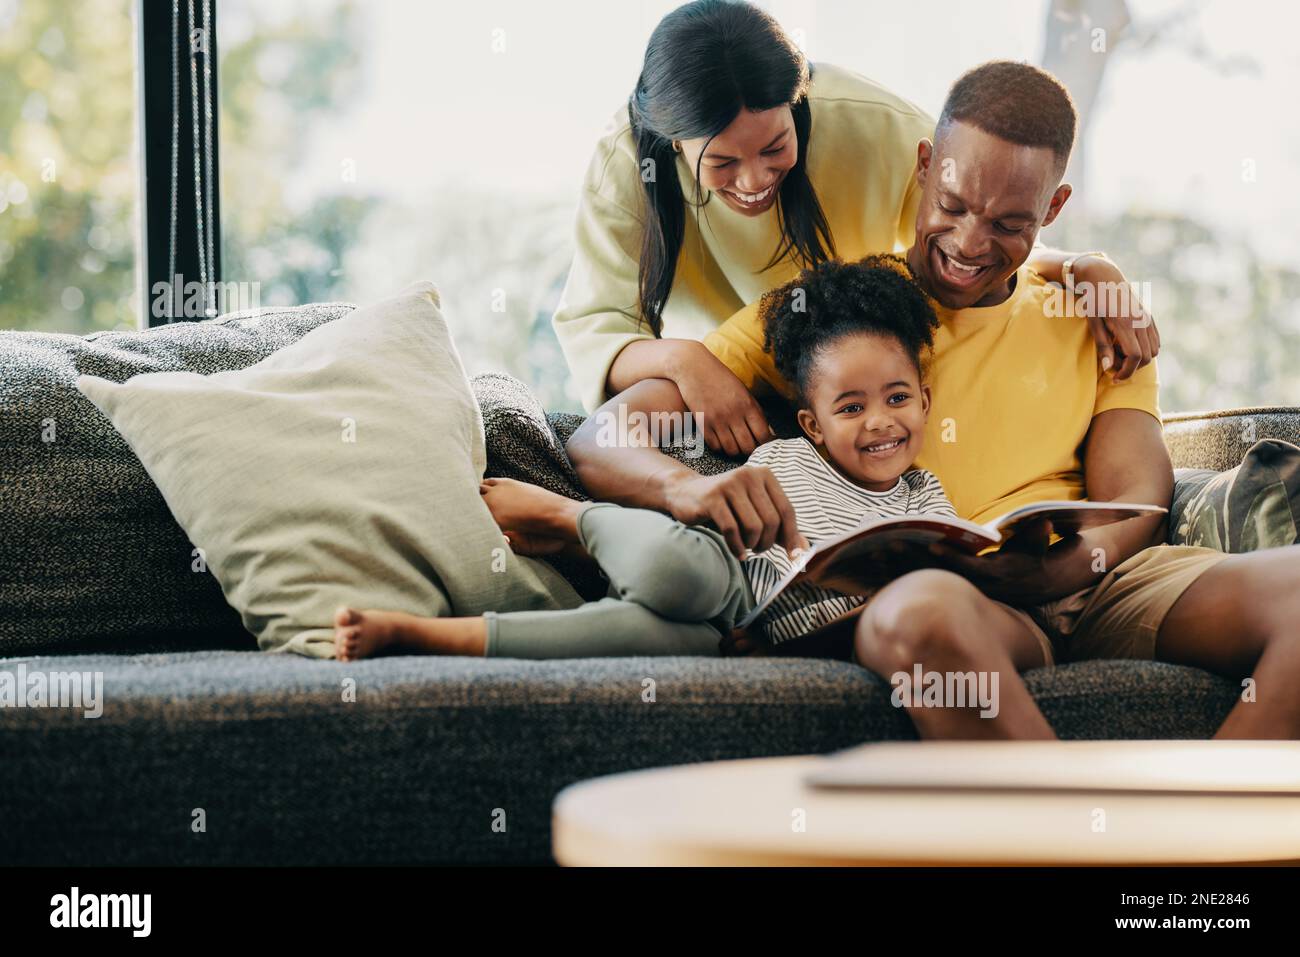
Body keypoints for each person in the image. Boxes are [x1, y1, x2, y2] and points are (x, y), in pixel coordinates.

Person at [565, 60, 1300, 740]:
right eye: (951, 204)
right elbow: (601, 438)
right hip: (962, 602)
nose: (970, 242)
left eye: (1011, 223)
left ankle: (1207, 861)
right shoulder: (834, 312)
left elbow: (1135, 491)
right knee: (912, 618)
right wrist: (686, 486)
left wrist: (1080, 562)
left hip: (1097, 579)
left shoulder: (1092, 307)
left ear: (1055, 206)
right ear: (924, 167)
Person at [553, 0, 1157, 457]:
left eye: (774, 147)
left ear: (798, 101)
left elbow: (974, 239)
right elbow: (598, 325)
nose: (755, 179)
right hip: (733, 376)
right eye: (722, 163)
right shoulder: (628, 165)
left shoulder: (876, 125)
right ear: (673, 144)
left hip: (859, 384)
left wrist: (1081, 268)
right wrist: (687, 363)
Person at [332, 263, 956, 661]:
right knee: (682, 573)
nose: (879, 421)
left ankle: (419, 636)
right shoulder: (782, 459)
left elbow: (945, 595)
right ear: (814, 426)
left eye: (897, 399)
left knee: (637, 641)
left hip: (741, 638)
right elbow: (634, 460)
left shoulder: (926, 498)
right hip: (723, 581)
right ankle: (571, 520)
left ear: (924, 402)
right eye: (851, 408)